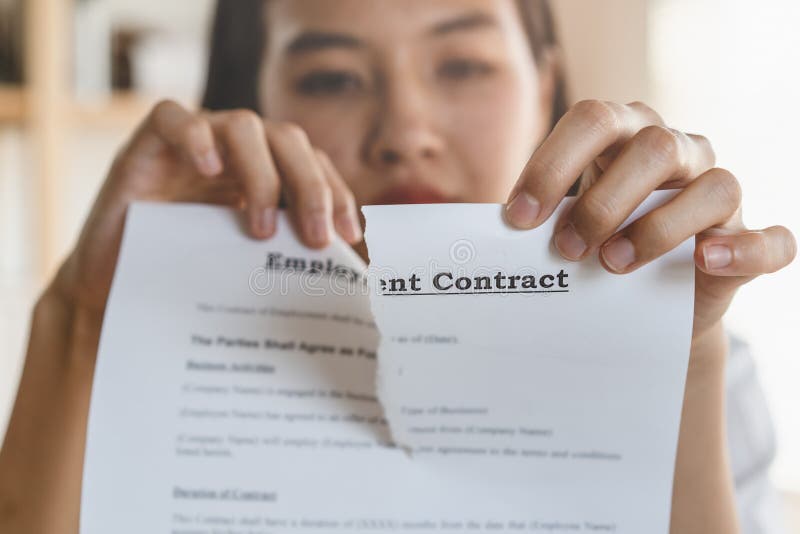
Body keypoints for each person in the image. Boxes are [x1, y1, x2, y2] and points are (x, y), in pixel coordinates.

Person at [0, 1, 795, 532]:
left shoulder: (703, 374)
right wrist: (82, 320)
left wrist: (679, 360)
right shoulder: (146, 362)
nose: (405, 131)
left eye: (463, 65)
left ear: (545, 87)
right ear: (252, 100)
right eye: (332, 77)